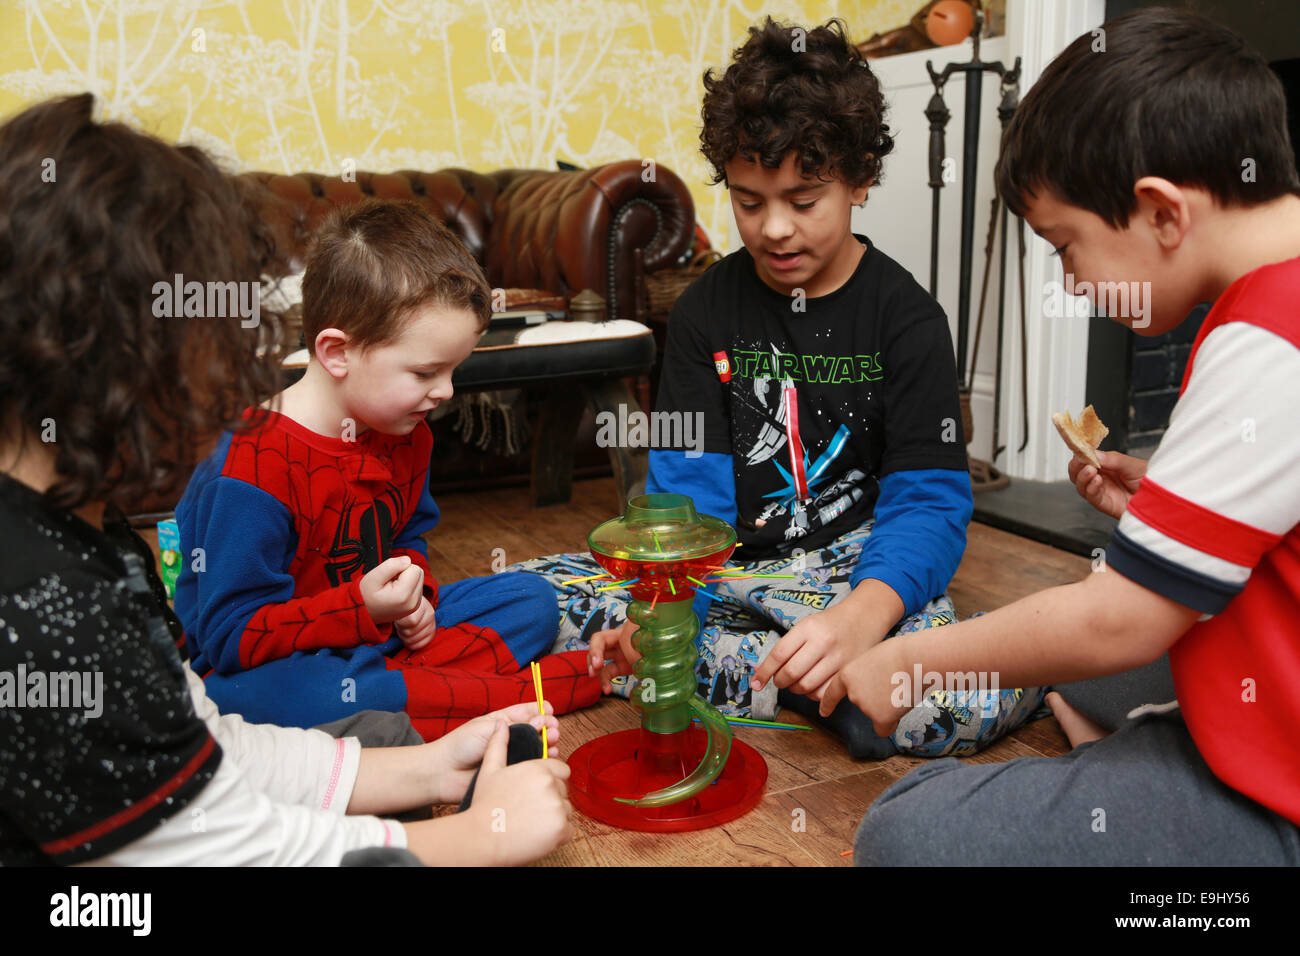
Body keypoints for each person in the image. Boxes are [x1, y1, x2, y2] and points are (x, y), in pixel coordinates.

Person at [0, 93, 572, 865]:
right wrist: (468, 839)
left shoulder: (86, 539)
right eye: (210, 347)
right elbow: (209, 847)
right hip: (287, 672)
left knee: (522, 603)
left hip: (363, 659)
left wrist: (426, 765)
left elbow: (204, 751)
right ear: (123, 356)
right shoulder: (46, 606)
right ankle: (516, 684)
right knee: (329, 695)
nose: (227, 385)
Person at [809, 7, 1300, 865]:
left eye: (1066, 247)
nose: (1071, 281)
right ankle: (1142, 750)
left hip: (1282, 787)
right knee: (1065, 659)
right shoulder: (1272, 301)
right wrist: (1165, 497)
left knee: (908, 836)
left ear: (1161, 212)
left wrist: (908, 666)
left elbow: (1118, 624)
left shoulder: (1267, 340)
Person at [508, 17, 1045, 759]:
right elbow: (689, 492)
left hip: (854, 571)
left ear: (860, 179)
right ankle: (818, 689)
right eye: (749, 200)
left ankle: (843, 675)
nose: (775, 230)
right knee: (561, 609)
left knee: (946, 702)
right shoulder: (702, 313)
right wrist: (661, 613)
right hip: (729, 572)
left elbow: (927, 503)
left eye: (803, 198)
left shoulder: (911, 319)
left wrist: (860, 619)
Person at [174, 199, 602, 741]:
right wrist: (358, 608)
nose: (445, 392)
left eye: (453, 370)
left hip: (379, 638)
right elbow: (227, 639)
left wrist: (414, 598)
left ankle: (409, 693)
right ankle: (532, 692)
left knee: (531, 600)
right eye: (425, 371)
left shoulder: (406, 432)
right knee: (290, 695)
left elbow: (408, 537)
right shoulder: (247, 470)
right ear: (337, 352)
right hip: (270, 666)